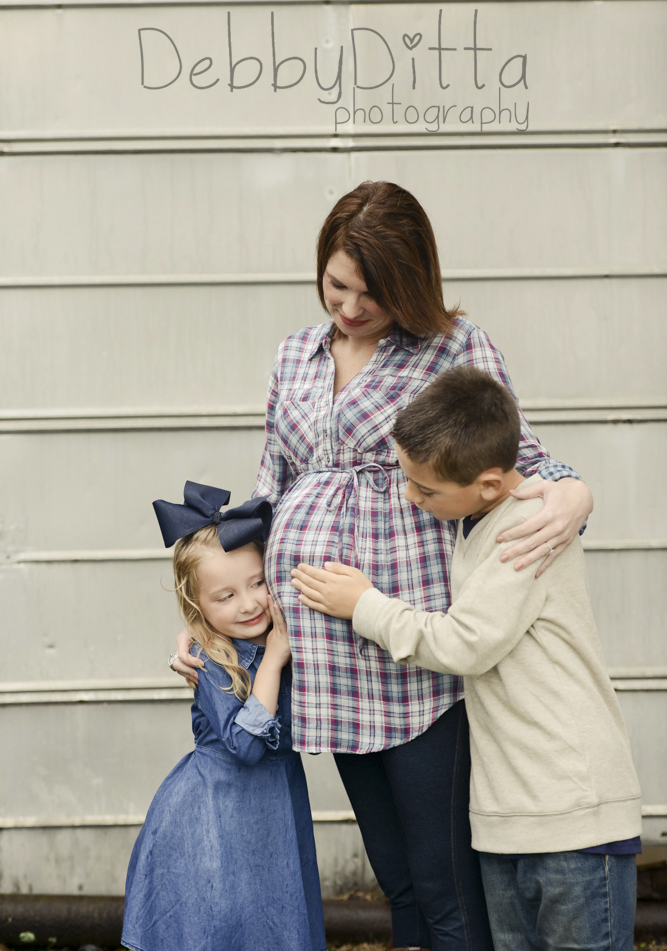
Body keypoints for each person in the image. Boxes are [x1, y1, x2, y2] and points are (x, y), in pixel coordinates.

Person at [172, 181, 594, 951]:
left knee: (443, 885)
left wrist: (575, 492)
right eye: (337, 285)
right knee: (395, 877)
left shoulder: (453, 349)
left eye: (374, 291)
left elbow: (522, 458)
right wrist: (208, 627)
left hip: (411, 648)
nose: (351, 307)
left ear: (411, 282)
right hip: (323, 651)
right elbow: (267, 491)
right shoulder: (295, 354)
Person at [291, 365, 641, 951]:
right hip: (509, 817)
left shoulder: (526, 527)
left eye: (424, 490)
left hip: (572, 813)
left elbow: (467, 643)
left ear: (486, 485)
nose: (409, 496)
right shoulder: (476, 522)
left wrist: (365, 606)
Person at [122, 481, 326, 951]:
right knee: (222, 923)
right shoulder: (212, 660)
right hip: (212, 813)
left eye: (257, 583)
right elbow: (247, 745)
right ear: (197, 607)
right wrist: (272, 661)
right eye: (226, 596)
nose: (250, 603)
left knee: (275, 916)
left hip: (275, 806)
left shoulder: (286, 632)